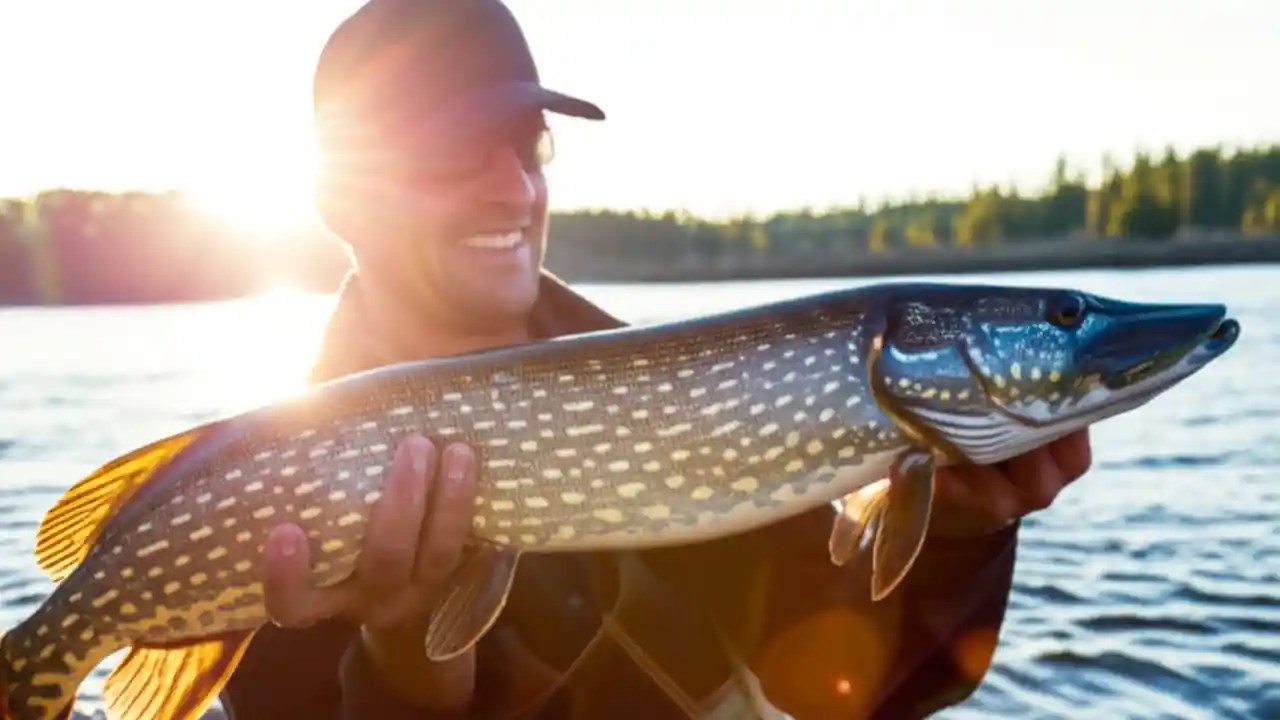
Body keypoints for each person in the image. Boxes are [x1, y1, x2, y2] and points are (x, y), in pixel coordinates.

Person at [218, 0, 1093, 717]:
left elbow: (853, 688)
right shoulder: (272, 495)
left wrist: (958, 537)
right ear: (339, 196)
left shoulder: (702, 400)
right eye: (449, 155)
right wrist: (406, 665)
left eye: (529, 148)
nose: (514, 189)